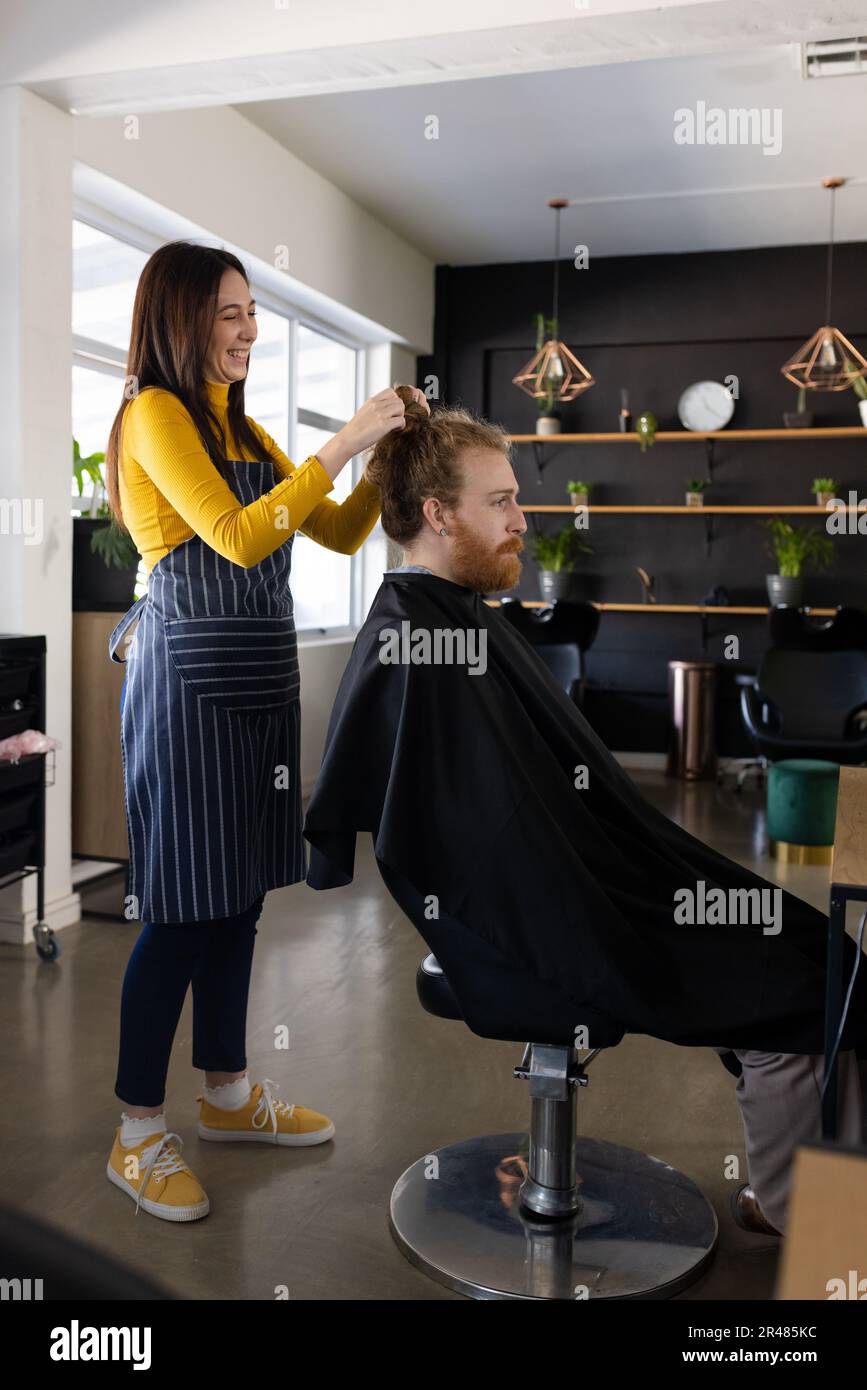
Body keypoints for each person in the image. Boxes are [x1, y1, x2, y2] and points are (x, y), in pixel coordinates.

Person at [303, 386, 867, 1238]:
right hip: (545, 915)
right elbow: (475, 836)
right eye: (500, 503)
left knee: (814, 953)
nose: (522, 521)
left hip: (587, 882)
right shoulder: (422, 638)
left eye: (517, 500)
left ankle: (803, 1192)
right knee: (803, 986)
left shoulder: (451, 620)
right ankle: (815, 1225)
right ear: (437, 514)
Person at [102, 242, 429, 1222]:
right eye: (228, 313)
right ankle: (134, 1132)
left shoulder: (235, 423)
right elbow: (242, 537)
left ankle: (230, 1094)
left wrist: (381, 457)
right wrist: (343, 437)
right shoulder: (154, 415)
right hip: (188, 687)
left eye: (250, 312)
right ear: (178, 319)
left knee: (238, 898)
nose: (246, 329)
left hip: (256, 684)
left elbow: (330, 529)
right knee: (179, 909)